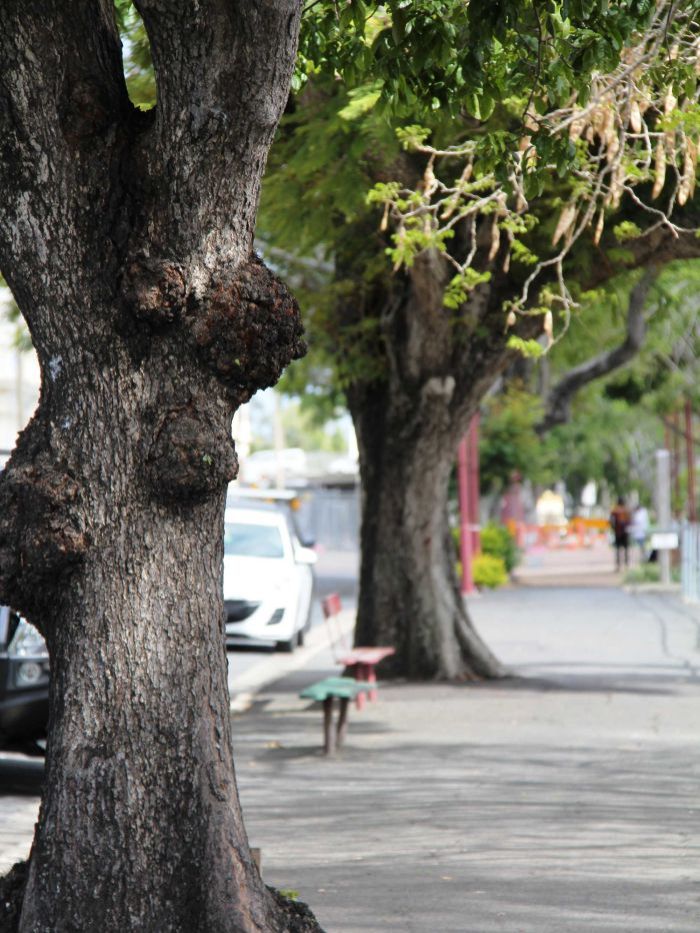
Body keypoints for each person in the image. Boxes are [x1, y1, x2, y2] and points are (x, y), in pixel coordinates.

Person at [609, 497, 631, 570]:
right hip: (625, 532)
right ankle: (626, 564)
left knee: (618, 549)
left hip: (618, 532)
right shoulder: (626, 511)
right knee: (626, 549)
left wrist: (613, 529)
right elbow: (629, 521)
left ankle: (618, 565)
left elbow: (611, 521)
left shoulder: (615, 511)